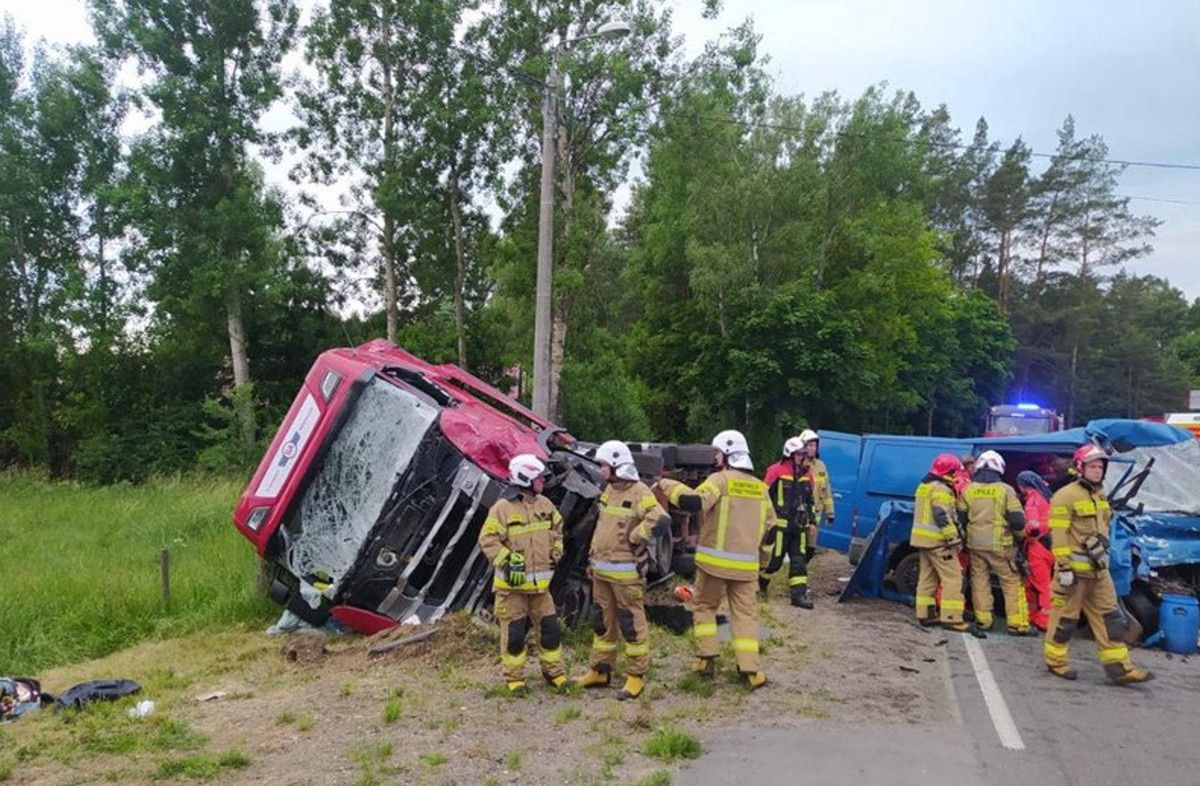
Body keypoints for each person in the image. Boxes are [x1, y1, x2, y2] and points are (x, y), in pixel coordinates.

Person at [657, 430, 779, 688]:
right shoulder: (760, 488)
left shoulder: (719, 480)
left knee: (704, 607)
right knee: (745, 616)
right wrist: (763, 564)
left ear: (727, 454)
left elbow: (693, 502)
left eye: (717, 452)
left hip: (714, 565)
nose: (714, 457)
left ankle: (706, 659)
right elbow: (770, 532)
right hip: (746, 569)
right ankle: (750, 670)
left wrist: (666, 484)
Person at [1043, 445, 1152, 684]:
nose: (1097, 471)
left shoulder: (1100, 495)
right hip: (1073, 575)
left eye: (1101, 467)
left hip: (1099, 573)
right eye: (1092, 466)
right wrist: (1063, 567)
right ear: (1080, 467)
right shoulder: (1065, 496)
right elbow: (1058, 534)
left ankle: (1119, 668)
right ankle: (1056, 661)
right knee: (1065, 621)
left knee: (1111, 619)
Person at [575, 441, 671, 700]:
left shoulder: (639, 491)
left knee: (631, 624)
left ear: (618, 465)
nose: (601, 469)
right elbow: (602, 527)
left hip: (626, 575)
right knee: (602, 622)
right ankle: (600, 670)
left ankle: (635, 676)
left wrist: (637, 536)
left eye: (604, 465)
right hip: (602, 572)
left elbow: (660, 519)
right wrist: (592, 561)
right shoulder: (609, 490)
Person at [477, 454, 568, 695]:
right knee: (515, 636)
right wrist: (506, 560)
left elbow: (558, 531)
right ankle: (514, 679)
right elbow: (487, 540)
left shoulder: (546, 505)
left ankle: (554, 673)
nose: (542, 482)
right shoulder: (502, 509)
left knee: (550, 631)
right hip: (512, 591)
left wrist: (557, 550)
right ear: (525, 477)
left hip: (541, 589)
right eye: (539, 477)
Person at [960, 450, 1031, 635]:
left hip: (975, 544)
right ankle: (1017, 624)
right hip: (1001, 545)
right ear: (999, 468)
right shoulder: (1005, 490)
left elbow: (961, 517)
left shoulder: (968, 490)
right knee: (1011, 582)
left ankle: (984, 621)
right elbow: (1017, 521)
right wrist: (1020, 537)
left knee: (979, 581)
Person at [910, 453, 968, 631]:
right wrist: (954, 539)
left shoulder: (924, 486)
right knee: (953, 577)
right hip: (938, 542)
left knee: (927, 578)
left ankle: (925, 614)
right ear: (949, 471)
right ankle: (951, 617)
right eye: (954, 472)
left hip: (922, 541)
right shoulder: (941, 489)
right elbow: (942, 516)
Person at [761, 436, 818, 608]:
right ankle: (760, 586)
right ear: (790, 454)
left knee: (799, 561)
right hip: (779, 526)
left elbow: (810, 501)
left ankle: (798, 596)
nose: (803, 457)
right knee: (775, 561)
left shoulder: (807, 475)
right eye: (799, 454)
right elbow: (763, 496)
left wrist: (812, 521)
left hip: (799, 526)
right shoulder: (775, 471)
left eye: (803, 454)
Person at [1017, 470, 1055, 631]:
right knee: (1039, 584)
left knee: (1040, 585)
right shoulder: (1047, 498)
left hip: (1037, 547)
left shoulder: (1032, 501)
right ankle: (1035, 616)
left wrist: (1021, 535)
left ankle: (1044, 620)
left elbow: (1032, 527)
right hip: (1049, 546)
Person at [799, 429, 835, 532]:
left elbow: (827, 491)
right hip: (798, 516)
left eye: (814, 446)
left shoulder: (821, 466)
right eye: (809, 445)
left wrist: (830, 513)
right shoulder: (797, 464)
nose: (812, 448)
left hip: (815, 518)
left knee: (811, 547)